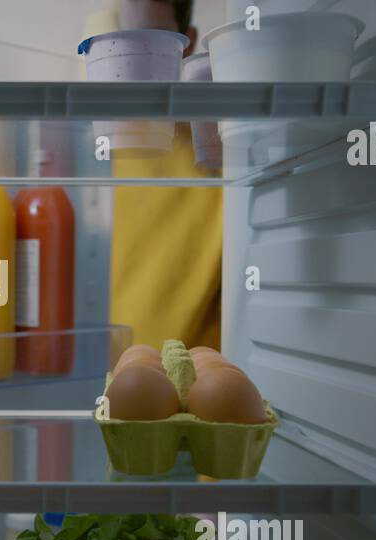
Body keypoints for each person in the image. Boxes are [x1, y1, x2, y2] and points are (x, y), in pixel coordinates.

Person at [109, 0, 222, 351]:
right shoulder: (103, 144)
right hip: (105, 381)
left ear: (188, 41)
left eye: (155, 41)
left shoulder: (216, 150)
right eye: (126, 41)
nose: (138, 61)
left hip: (190, 381)